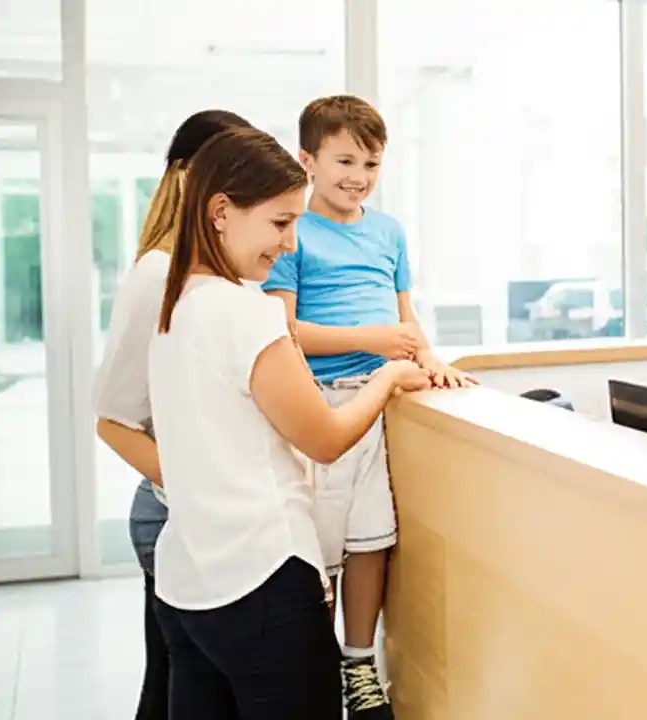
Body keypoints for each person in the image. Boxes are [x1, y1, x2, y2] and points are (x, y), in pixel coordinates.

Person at [148, 126, 433, 719]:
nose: (290, 244)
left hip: (187, 585)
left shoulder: (175, 307)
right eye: (280, 223)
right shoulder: (248, 314)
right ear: (221, 211)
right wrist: (387, 378)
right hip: (261, 580)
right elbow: (325, 439)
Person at [262, 94, 474, 719]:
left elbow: (405, 316)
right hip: (323, 403)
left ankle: (358, 662)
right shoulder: (293, 230)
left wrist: (428, 360)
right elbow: (286, 332)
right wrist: (371, 341)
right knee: (322, 552)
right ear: (308, 160)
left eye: (371, 164)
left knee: (371, 539)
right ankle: (315, 664)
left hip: (386, 405)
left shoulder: (389, 232)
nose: (358, 176)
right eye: (345, 160)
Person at [93, 108, 251, 720]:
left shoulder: (212, 266)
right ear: (189, 177)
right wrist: (192, 487)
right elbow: (114, 415)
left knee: (184, 691)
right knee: (176, 692)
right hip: (173, 515)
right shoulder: (160, 271)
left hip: (196, 515)